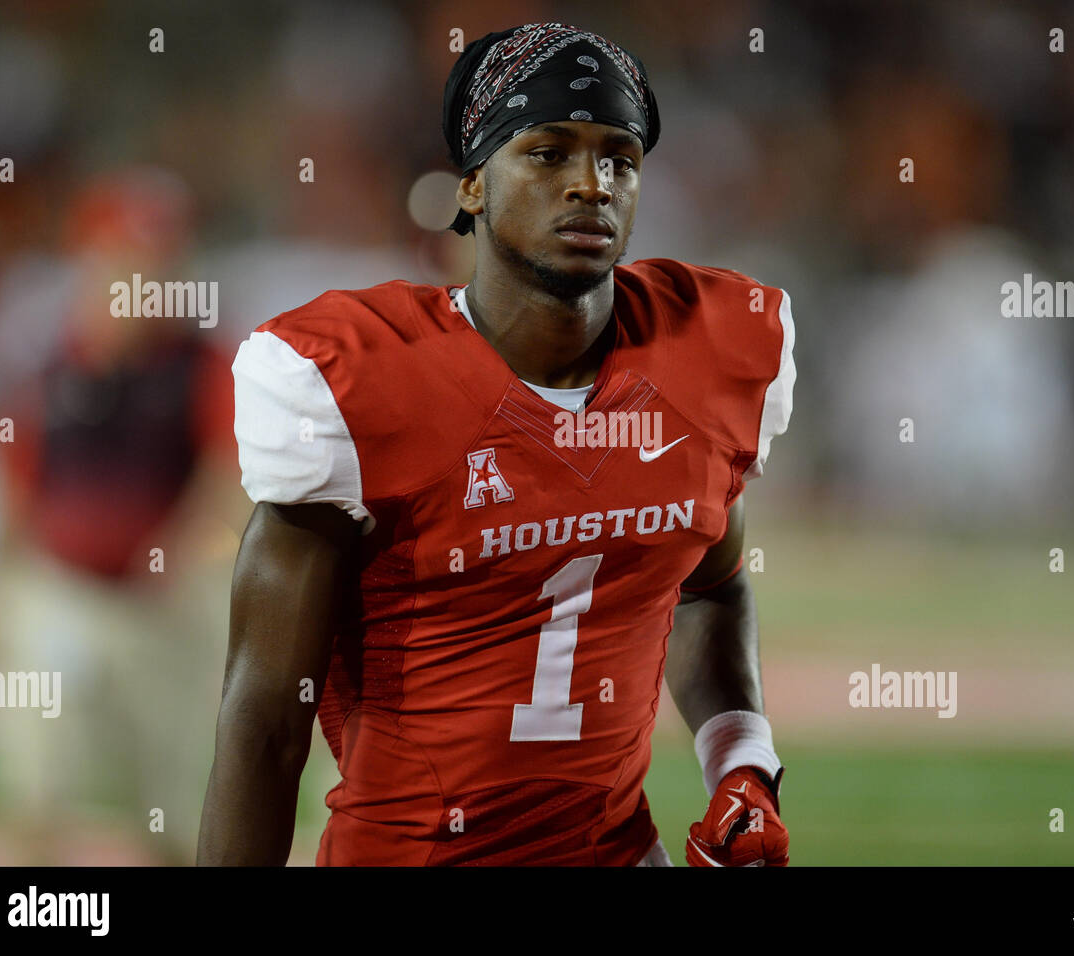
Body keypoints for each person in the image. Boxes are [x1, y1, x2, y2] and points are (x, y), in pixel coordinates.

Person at [198, 21, 795, 867]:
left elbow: (709, 587)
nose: (591, 184)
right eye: (548, 153)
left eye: (618, 158)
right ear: (473, 185)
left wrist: (741, 764)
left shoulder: (707, 353)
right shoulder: (358, 384)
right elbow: (263, 722)